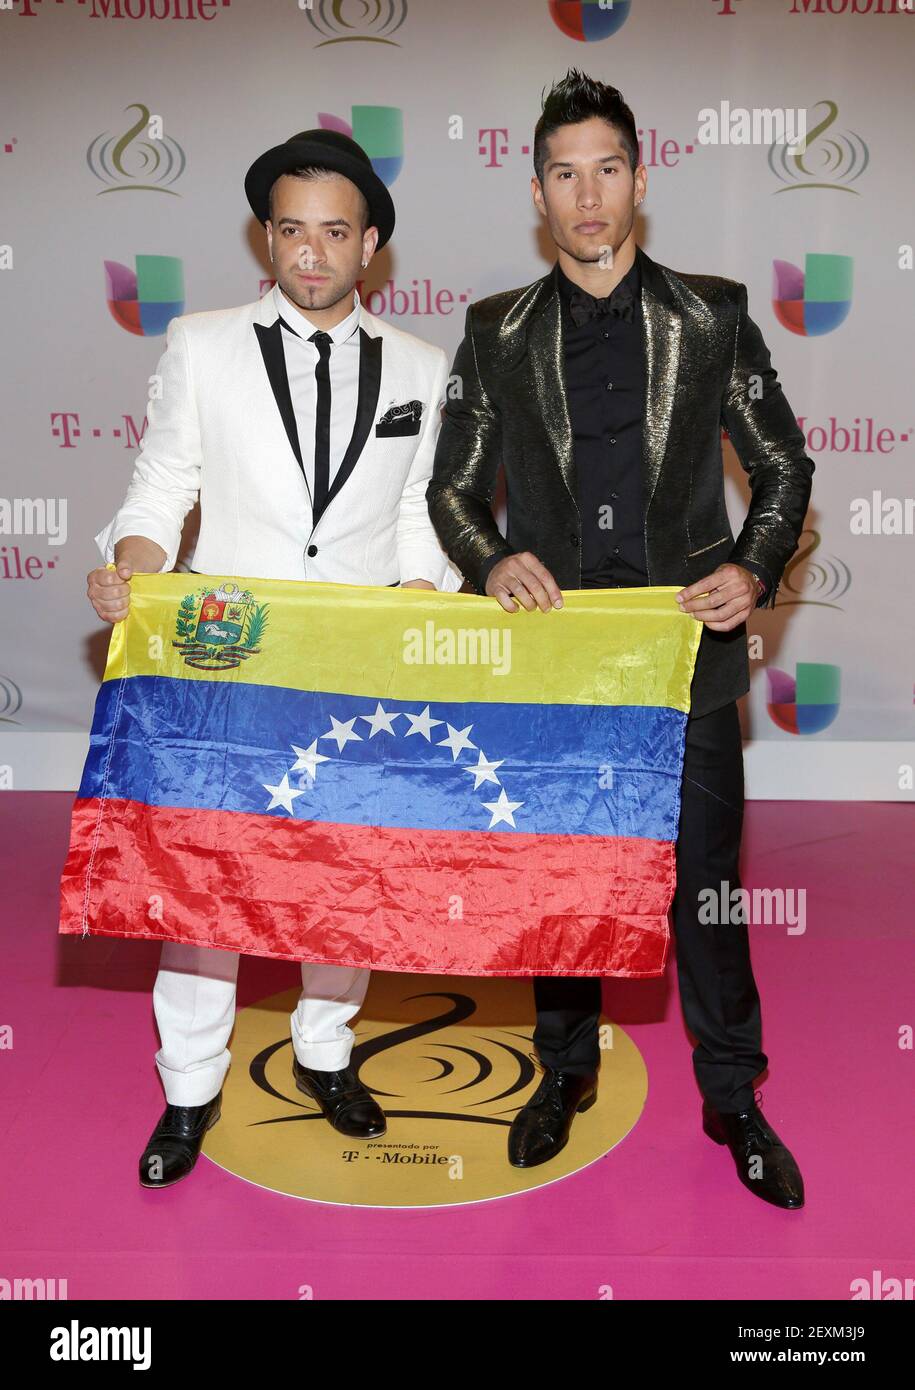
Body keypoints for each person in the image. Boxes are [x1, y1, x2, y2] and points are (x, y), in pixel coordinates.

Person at [427, 71, 813, 1209]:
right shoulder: (494, 330)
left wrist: (752, 566)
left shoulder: (712, 313)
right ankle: (562, 1068)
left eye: (607, 168)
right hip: (556, 662)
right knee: (562, 880)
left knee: (705, 890)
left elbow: (785, 465)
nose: (586, 194)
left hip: (683, 658)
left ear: (640, 181)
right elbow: (453, 490)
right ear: (537, 192)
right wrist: (491, 559)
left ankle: (734, 1095)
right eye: (563, 172)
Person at [86, 128, 462, 1189]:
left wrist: (423, 604)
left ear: (371, 244)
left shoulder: (425, 369)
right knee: (207, 879)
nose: (309, 253)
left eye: (333, 232)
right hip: (224, 659)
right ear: (266, 237)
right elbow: (164, 482)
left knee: (345, 872)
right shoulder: (201, 345)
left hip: (353, 664)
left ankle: (328, 1050)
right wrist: (133, 566)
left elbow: (423, 522)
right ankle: (190, 1085)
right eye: (289, 230)